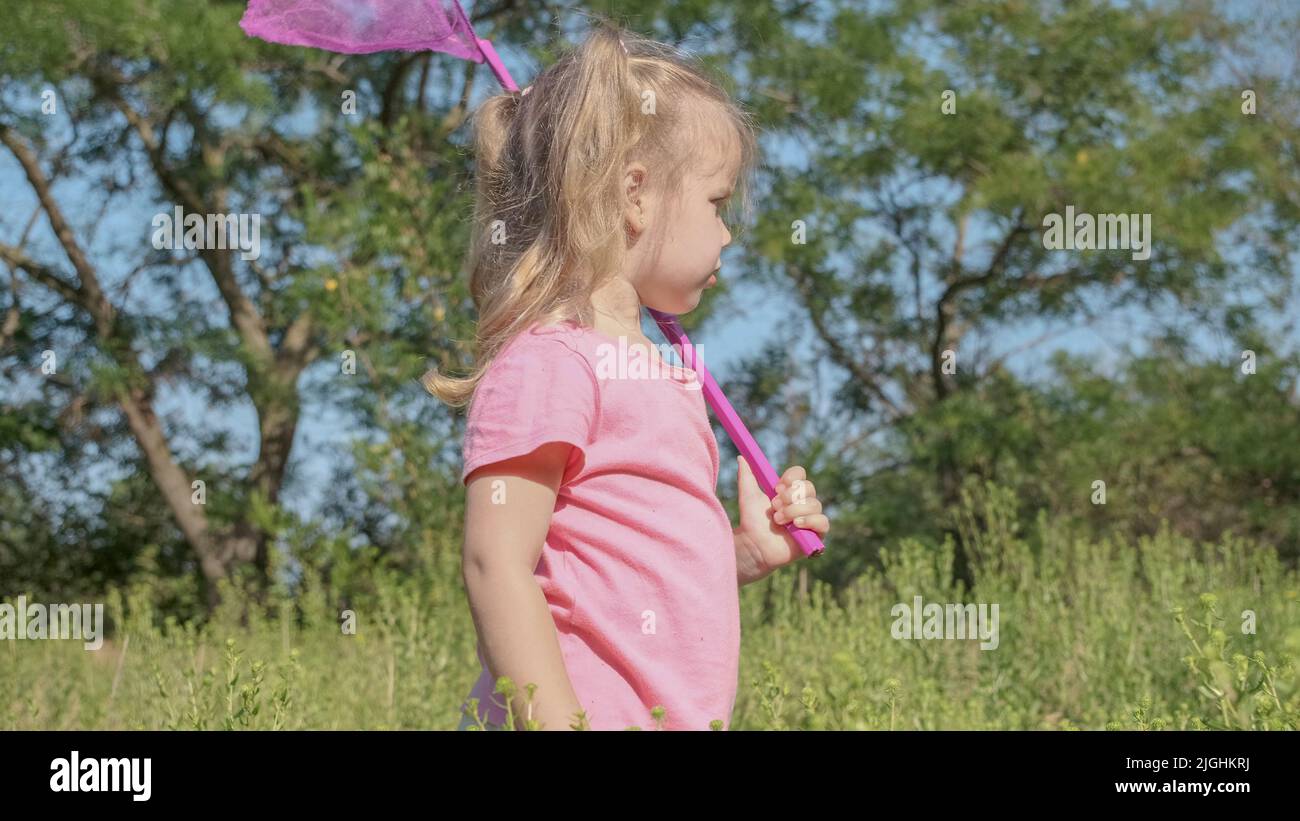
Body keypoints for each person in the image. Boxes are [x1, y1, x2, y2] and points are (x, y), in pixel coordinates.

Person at [424, 23, 830, 731]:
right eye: (717, 202)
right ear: (635, 195)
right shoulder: (550, 360)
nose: (728, 233)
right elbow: (496, 563)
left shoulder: (665, 374)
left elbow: (626, 583)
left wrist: (739, 553)